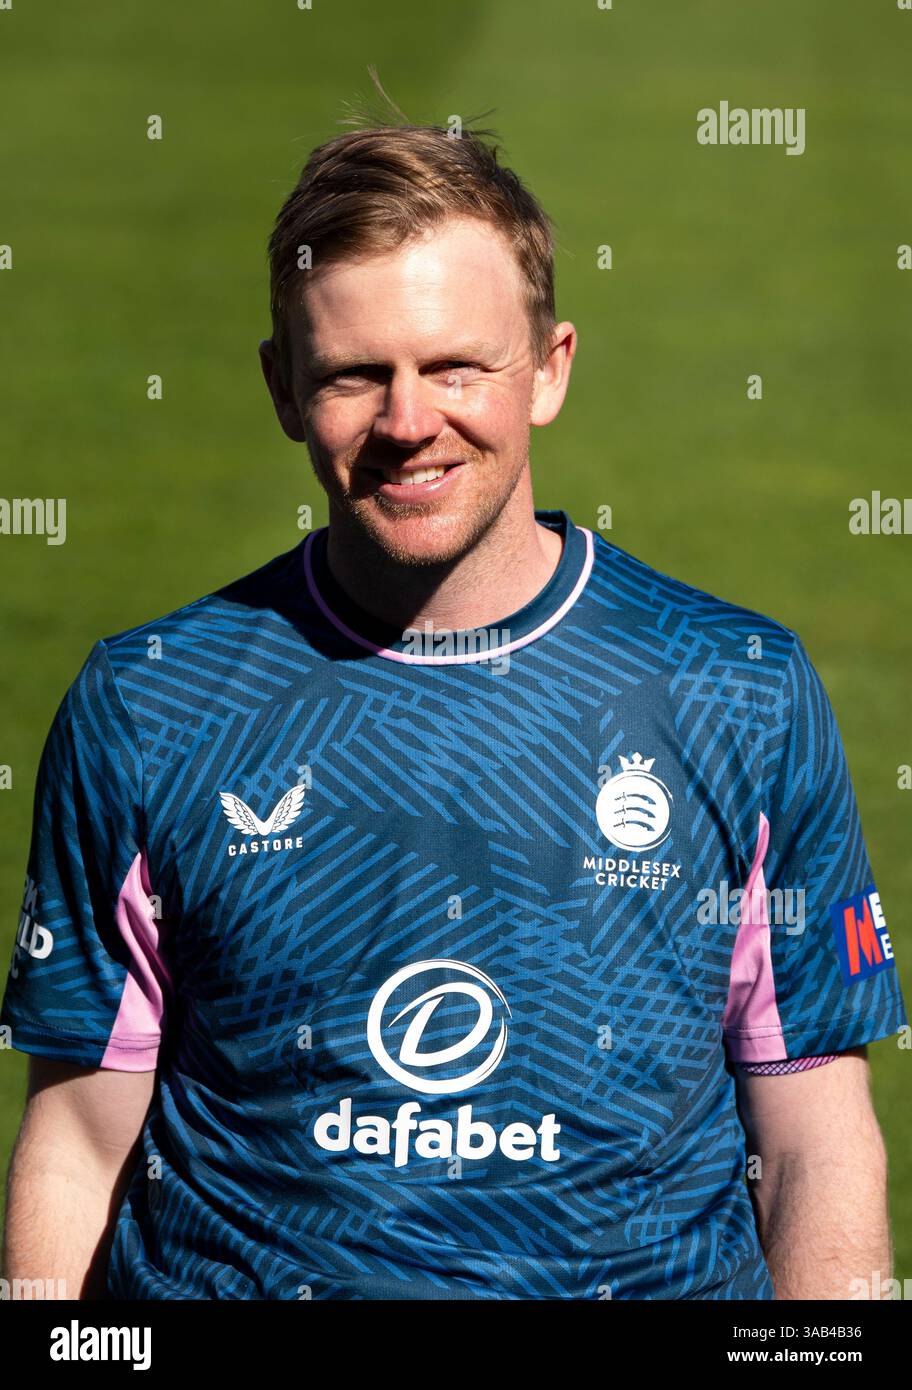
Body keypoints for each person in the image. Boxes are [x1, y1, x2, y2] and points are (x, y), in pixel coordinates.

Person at [1, 116, 906, 1301]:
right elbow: (77, 1141)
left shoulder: (737, 687)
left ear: (552, 368)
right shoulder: (151, 701)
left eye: (456, 368)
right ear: (282, 387)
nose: (409, 422)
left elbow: (812, 1143)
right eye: (354, 374)